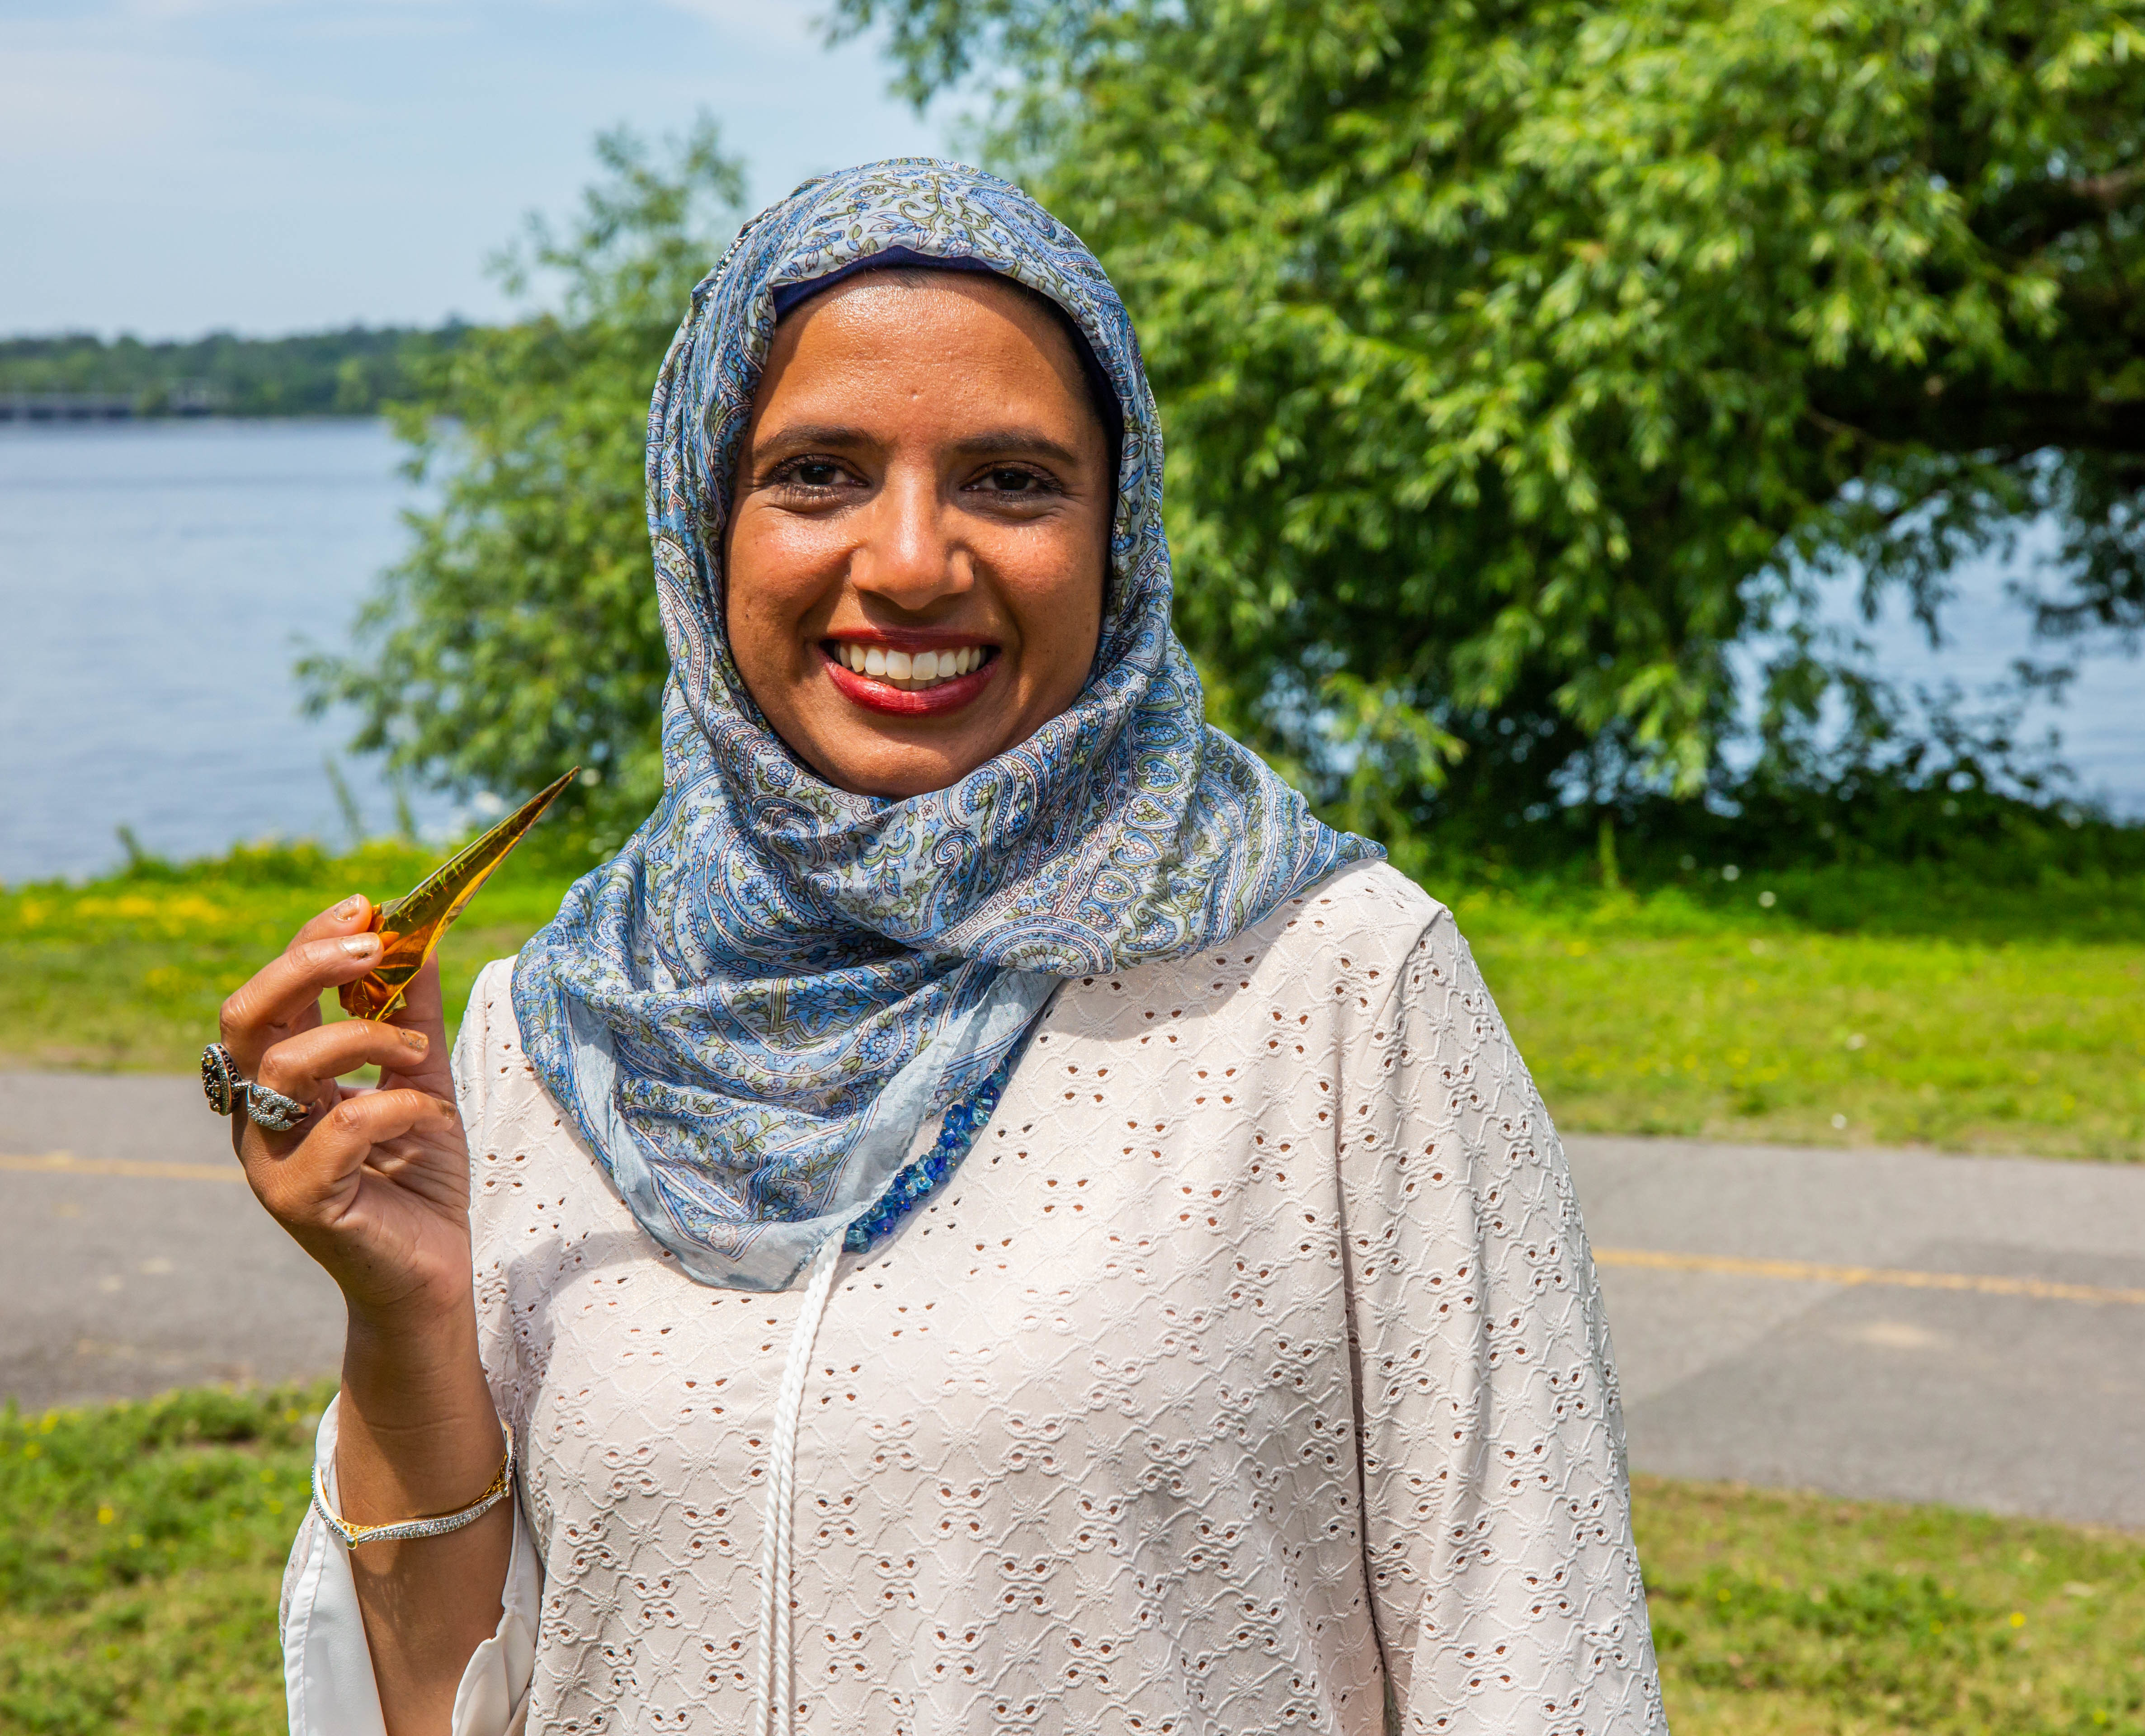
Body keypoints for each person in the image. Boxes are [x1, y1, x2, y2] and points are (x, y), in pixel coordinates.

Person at [213, 159, 1665, 1736]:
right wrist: (407, 1313)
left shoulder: (1334, 989)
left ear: (1121, 533)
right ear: (706, 524)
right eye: (820, 473)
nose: (910, 561)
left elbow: (1538, 1655)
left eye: (1011, 481)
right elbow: (462, 1702)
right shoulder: (551, 1032)